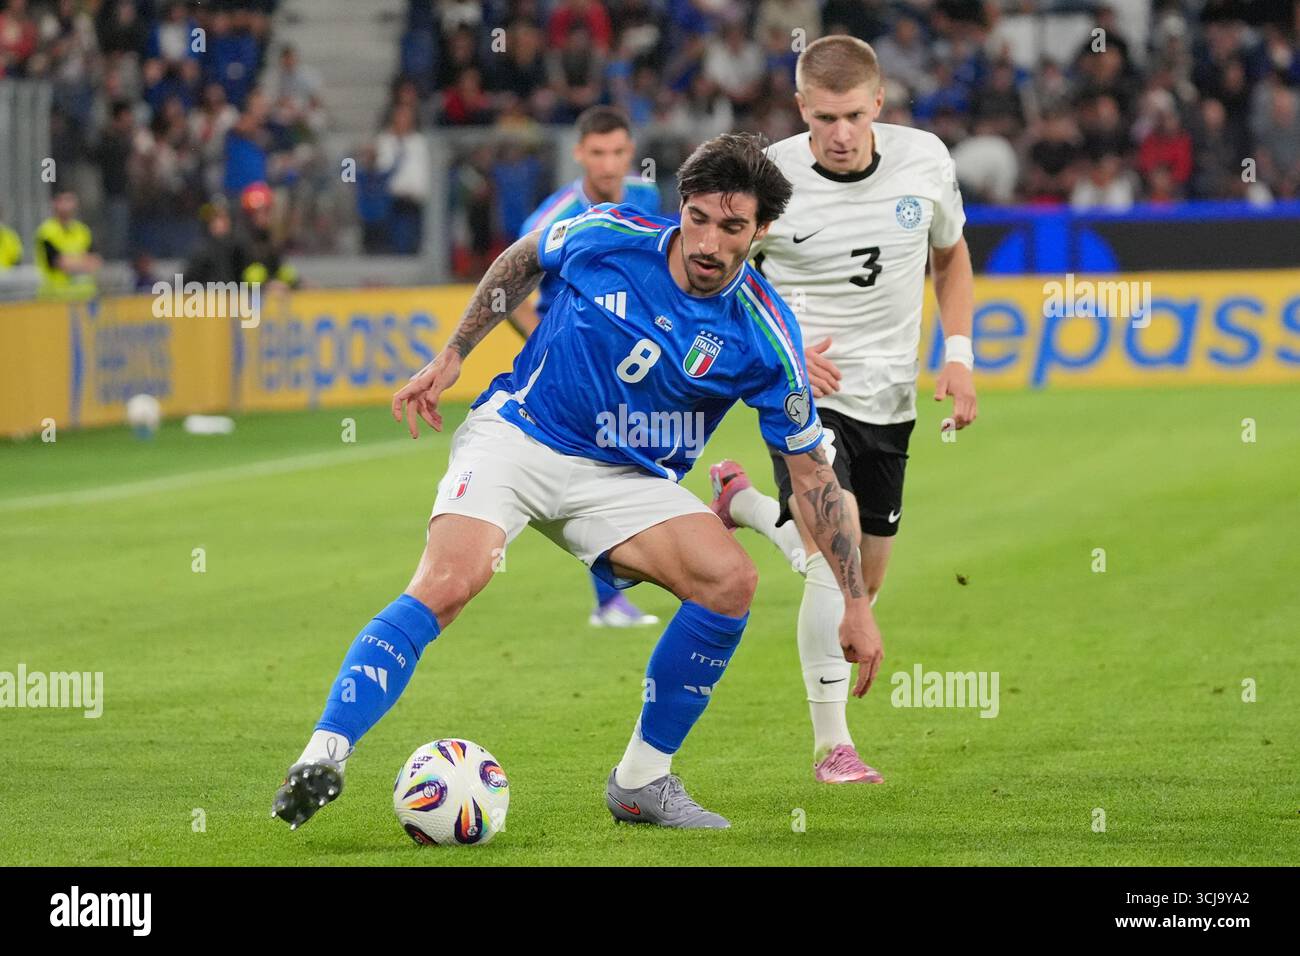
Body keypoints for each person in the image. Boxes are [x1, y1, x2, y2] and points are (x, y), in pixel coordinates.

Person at [272, 133, 885, 832]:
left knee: (730, 582)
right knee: (447, 584)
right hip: (520, 437)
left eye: (734, 226)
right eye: (700, 219)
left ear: (762, 230)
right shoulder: (608, 232)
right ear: (681, 207)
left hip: (623, 480)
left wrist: (856, 604)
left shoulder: (764, 333)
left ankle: (641, 782)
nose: (711, 242)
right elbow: (524, 257)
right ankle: (324, 754)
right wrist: (454, 353)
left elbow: (814, 480)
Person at [708, 35, 977, 785]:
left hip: (890, 402)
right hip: (802, 395)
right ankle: (834, 746)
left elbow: (951, 258)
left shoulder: (926, 159)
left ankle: (750, 507)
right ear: (801, 109)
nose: (841, 133)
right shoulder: (768, 182)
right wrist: (781, 347)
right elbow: (715, 283)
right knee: (840, 555)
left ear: (880, 104)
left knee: (855, 568)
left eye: (855, 114)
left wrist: (961, 355)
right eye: (824, 117)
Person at [510, 104, 663, 628]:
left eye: (618, 151)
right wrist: (548, 342)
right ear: (579, 154)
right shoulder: (549, 220)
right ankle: (611, 599)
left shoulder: (645, 196)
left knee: (631, 464)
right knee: (610, 467)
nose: (609, 163)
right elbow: (511, 295)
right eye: (598, 153)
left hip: (626, 359)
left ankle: (617, 591)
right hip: (573, 366)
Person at [33, 190, 100, 300]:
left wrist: (70, 261)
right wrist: (82, 261)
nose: (67, 205)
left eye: (69, 200)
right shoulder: (46, 232)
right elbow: (59, 262)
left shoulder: (83, 231)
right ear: (54, 203)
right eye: (62, 200)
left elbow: (95, 262)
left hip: (84, 298)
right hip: (55, 298)